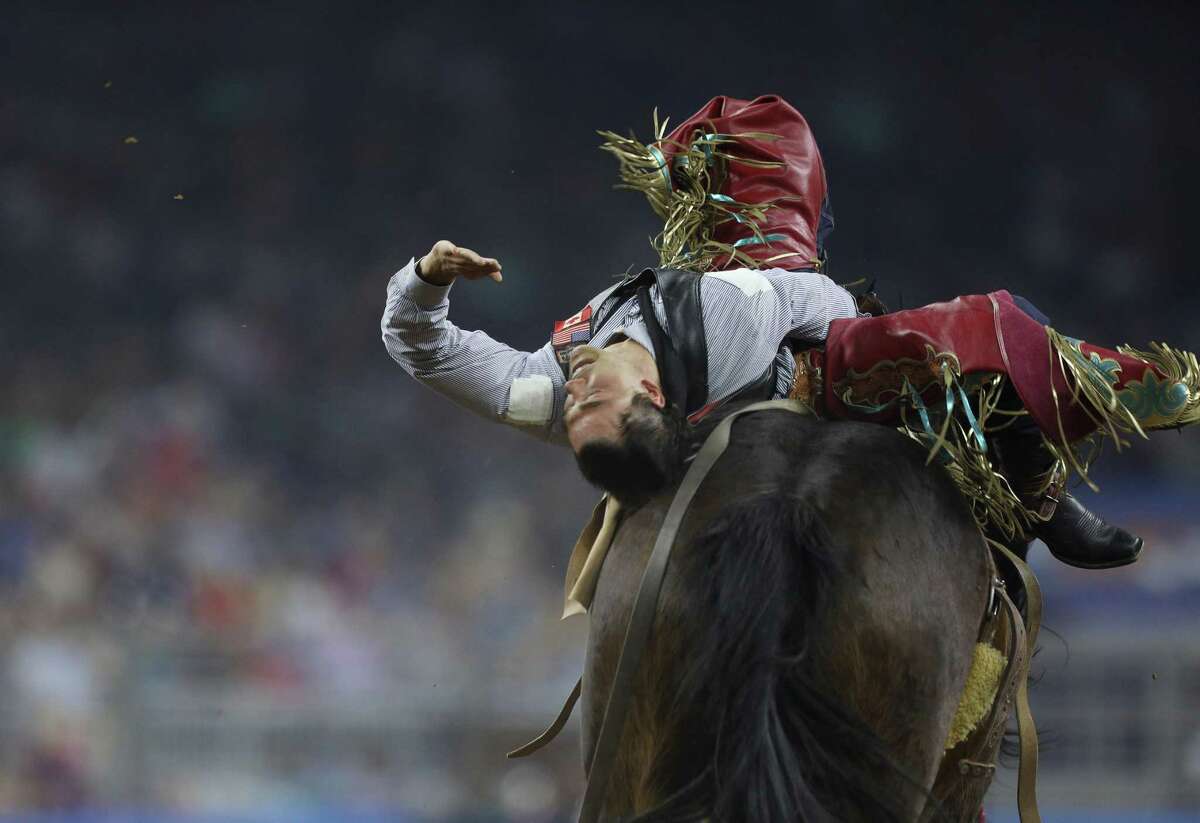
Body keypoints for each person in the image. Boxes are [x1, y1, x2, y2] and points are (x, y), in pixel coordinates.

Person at [382, 95, 1199, 571]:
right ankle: (1059, 479)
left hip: (733, 291)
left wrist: (425, 279)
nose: (577, 394)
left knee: (727, 140)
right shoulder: (727, 318)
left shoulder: (550, 382)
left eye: (576, 411)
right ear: (654, 394)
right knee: (990, 326)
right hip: (815, 354)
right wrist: (868, 323)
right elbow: (807, 297)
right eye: (594, 402)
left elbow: (423, 347)